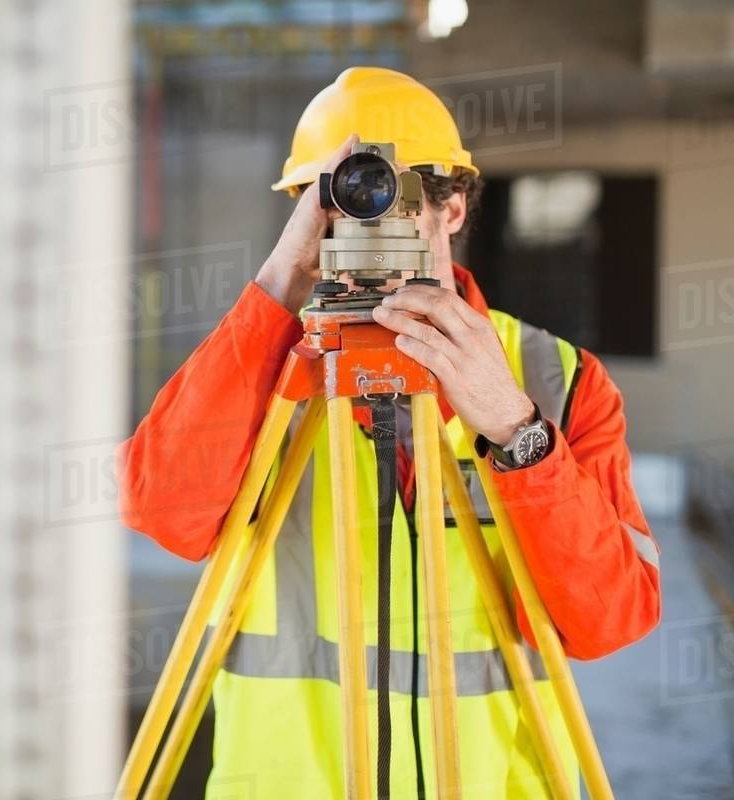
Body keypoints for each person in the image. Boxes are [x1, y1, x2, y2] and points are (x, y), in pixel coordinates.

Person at [118, 66, 661, 798]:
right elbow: (162, 512)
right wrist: (280, 283)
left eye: (395, 196)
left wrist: (514, 427)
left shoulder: (556, 379)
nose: (370, 224)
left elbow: (612, 620)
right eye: (343, 197)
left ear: (454, 208)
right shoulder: (268, 368)